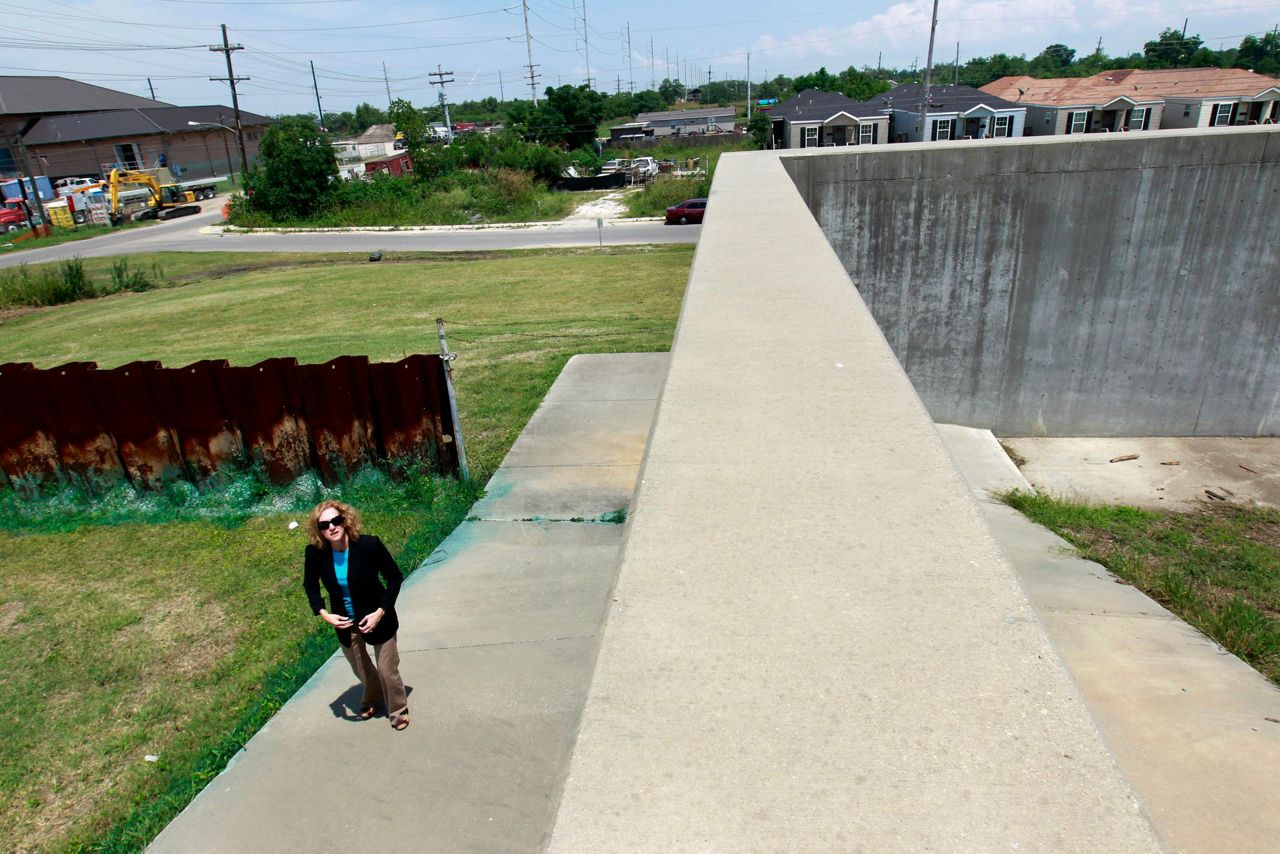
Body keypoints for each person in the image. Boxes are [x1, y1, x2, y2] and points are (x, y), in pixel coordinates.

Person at [303, 500, 410, 730]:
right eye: (324, 525)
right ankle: (373, 696)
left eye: (336, 520)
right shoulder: (315, 554)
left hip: (378, 618)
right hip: (344, 621)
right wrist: (325, 614)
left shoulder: (369, 545)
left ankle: (398, 709)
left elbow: (394, 578)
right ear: (319, 530)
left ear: (345, 520)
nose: (331, 527)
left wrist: (380, 612)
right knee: (361, 668)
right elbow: (310, 587)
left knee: (386, 670)